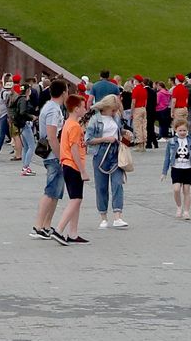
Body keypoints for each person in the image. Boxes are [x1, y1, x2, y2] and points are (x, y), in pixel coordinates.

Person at [28, 80, 70, 241]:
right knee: (50, 191)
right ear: (63, 92)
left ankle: (46, 225)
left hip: (53, 154)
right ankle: (38, 226)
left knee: (55, 193)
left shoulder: (51, 107)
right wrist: (62, 157)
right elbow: (52, 136)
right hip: (54, 155)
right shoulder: (53, 109)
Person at [85, 93, 132, 230]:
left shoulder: (116, 117)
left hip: (115, 151)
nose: (114, 112)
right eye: (113, 109)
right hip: (100, 152)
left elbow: (117, 130)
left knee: (118, 183)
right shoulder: (95, 119)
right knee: (101, 186)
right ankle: (103, 217)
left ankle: (118, 216)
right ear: (106, 107)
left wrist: (124, 133)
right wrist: (105, 139)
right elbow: (88, 140)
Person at [53, 93, 90, 245]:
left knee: (76, 199)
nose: (85, 109)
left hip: (68, 164)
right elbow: (74, 149)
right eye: (83, 107)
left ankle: (73, 233)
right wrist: (82, 170)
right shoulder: (74, 126)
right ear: (76, 109)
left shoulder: (69, 123)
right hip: (73, 165)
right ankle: (59, 229)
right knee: (76, 199)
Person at [167, 122, 191, 219]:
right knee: (176, 189)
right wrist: (164, 172)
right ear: (175, 130)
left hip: (187, 168)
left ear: (187, 131)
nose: (182, 132)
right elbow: (167, 157)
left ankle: (186, 211)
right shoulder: (171, 142)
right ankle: (179, 206)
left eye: (184, 130)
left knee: (186, 190)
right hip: (176, 168)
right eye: (180, 130)